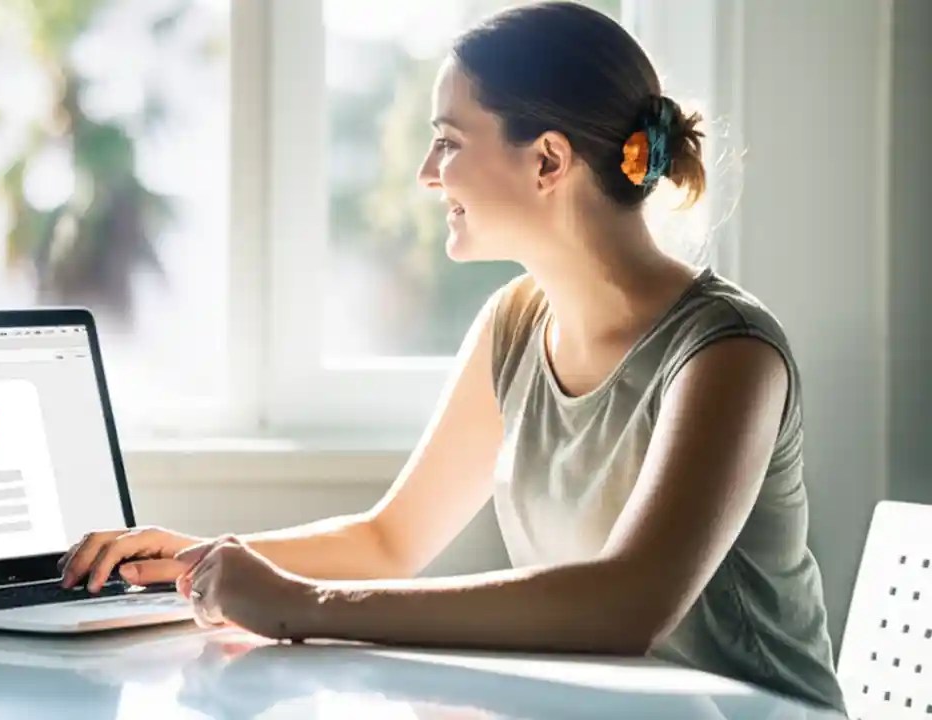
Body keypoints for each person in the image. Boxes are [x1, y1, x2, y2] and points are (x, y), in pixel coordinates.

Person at [58, 1, 845, 712]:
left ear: (546, 161)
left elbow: (625, 607)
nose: (428, 175)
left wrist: (304, 606)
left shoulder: (727, 352)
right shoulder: (513, 325)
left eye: (448, 142)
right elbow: (389, 541)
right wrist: (207, 558)